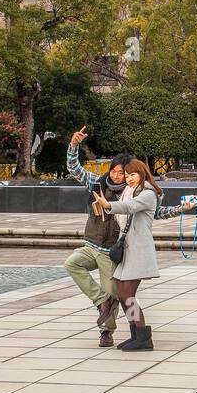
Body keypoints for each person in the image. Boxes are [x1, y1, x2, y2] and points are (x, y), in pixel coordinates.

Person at [92, 158, 197, 351]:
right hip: (127, 250)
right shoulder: (130, 192)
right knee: (124, 294)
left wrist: (107, 204)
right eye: (127, 176)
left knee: (127, 295)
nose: (129, 179)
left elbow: (130, 207)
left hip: (138, 251)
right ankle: (136, 334)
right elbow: (135, 209)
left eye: (133, 174)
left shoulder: (148, 193)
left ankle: (143, 338)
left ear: (142, 174)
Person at [64, 127, 131, 348]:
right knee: (72, 263)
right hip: (91, 245)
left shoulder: (132, 192)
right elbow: (74, 169)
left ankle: (106, 331)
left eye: (121, 173)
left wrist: (180, 209)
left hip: (110, 251)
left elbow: (153, 209)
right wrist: (74, 145)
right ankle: (101, 301)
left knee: (113, 291)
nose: (116, 176)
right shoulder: (97, 182)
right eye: (114, 171)